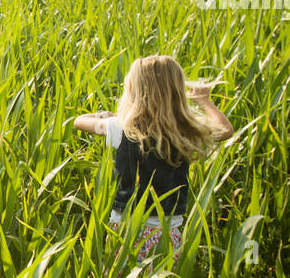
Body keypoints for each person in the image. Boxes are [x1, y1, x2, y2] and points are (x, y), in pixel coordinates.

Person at [73, 55, 234, 264]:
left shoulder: (122, 128)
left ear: (135, 90)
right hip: (167, 236)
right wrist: (204, 101)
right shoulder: (185, 132)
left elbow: (79, 121)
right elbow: (225, 130)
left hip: (125, 231)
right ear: (176, 91)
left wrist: (105, 115)